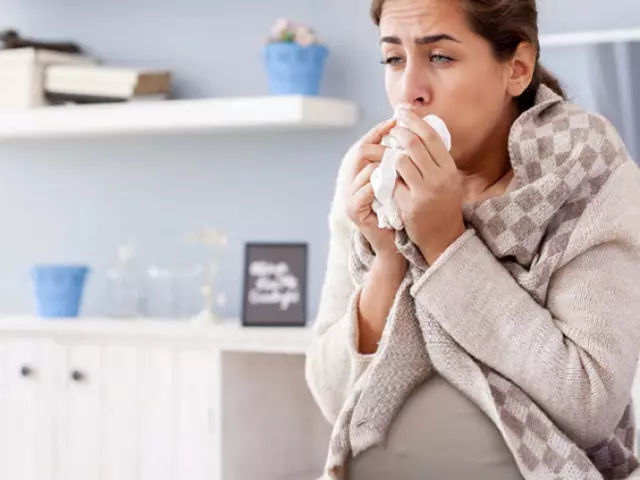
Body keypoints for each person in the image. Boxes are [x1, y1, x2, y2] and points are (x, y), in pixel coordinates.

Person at [305, 0, 640, 479]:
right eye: (394, 59)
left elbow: (589, 402)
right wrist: (387, 259)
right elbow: (332, 396)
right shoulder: (366, 173)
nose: (410, 92)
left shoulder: (585, 172)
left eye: (440, 57)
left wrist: (445, 245)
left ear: (517, 69)